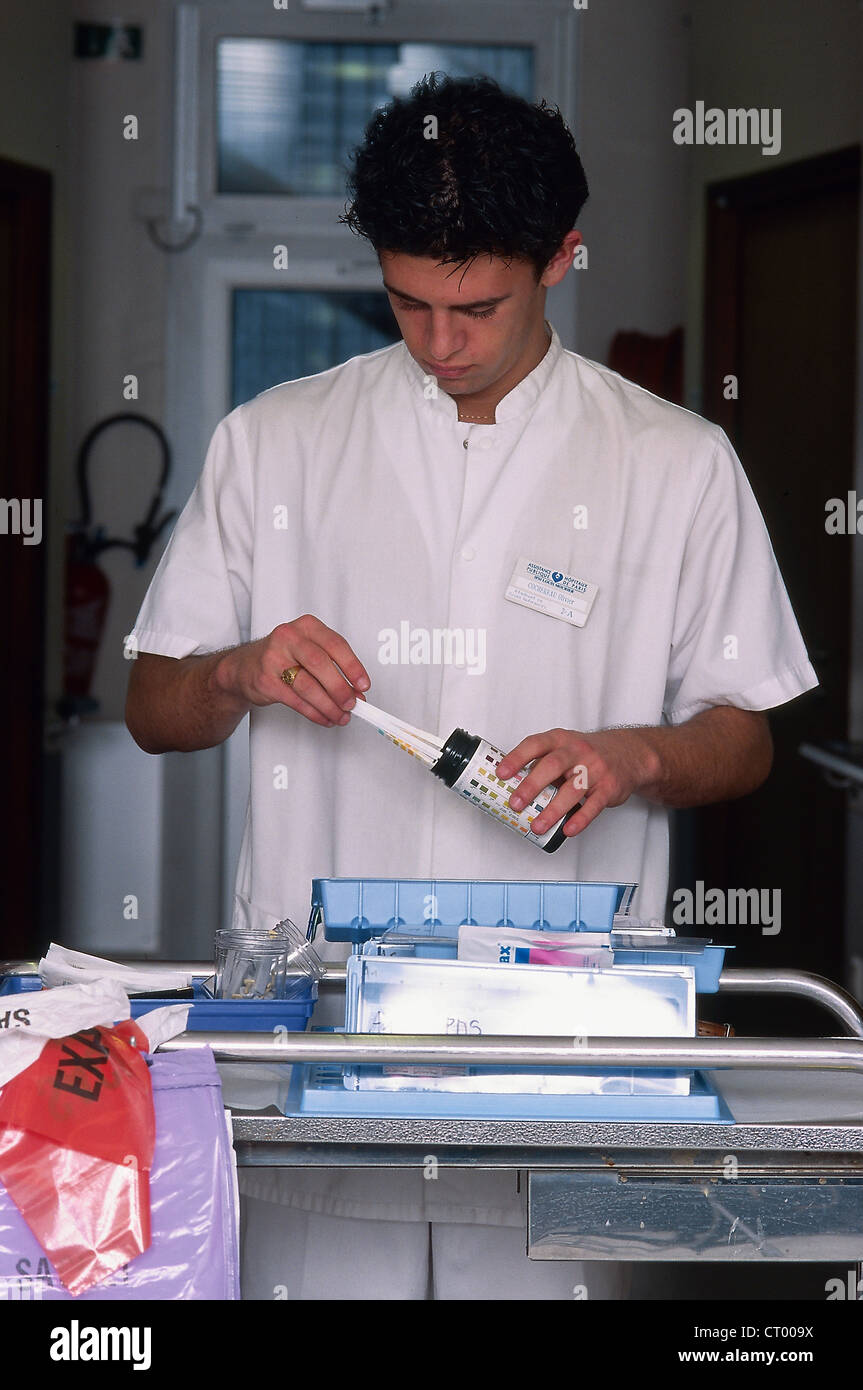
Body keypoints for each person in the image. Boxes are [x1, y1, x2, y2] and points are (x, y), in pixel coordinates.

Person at [125, 74, 817, 1300]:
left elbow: (746, 735)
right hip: (318, 1044)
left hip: (574, 1056)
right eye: (406, 302)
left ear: (560, 256)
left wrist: (632, 759)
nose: (438, 343)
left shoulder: (671, 463)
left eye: (476, 306)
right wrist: (239, 672)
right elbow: (154, 710)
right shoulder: (275, 440)